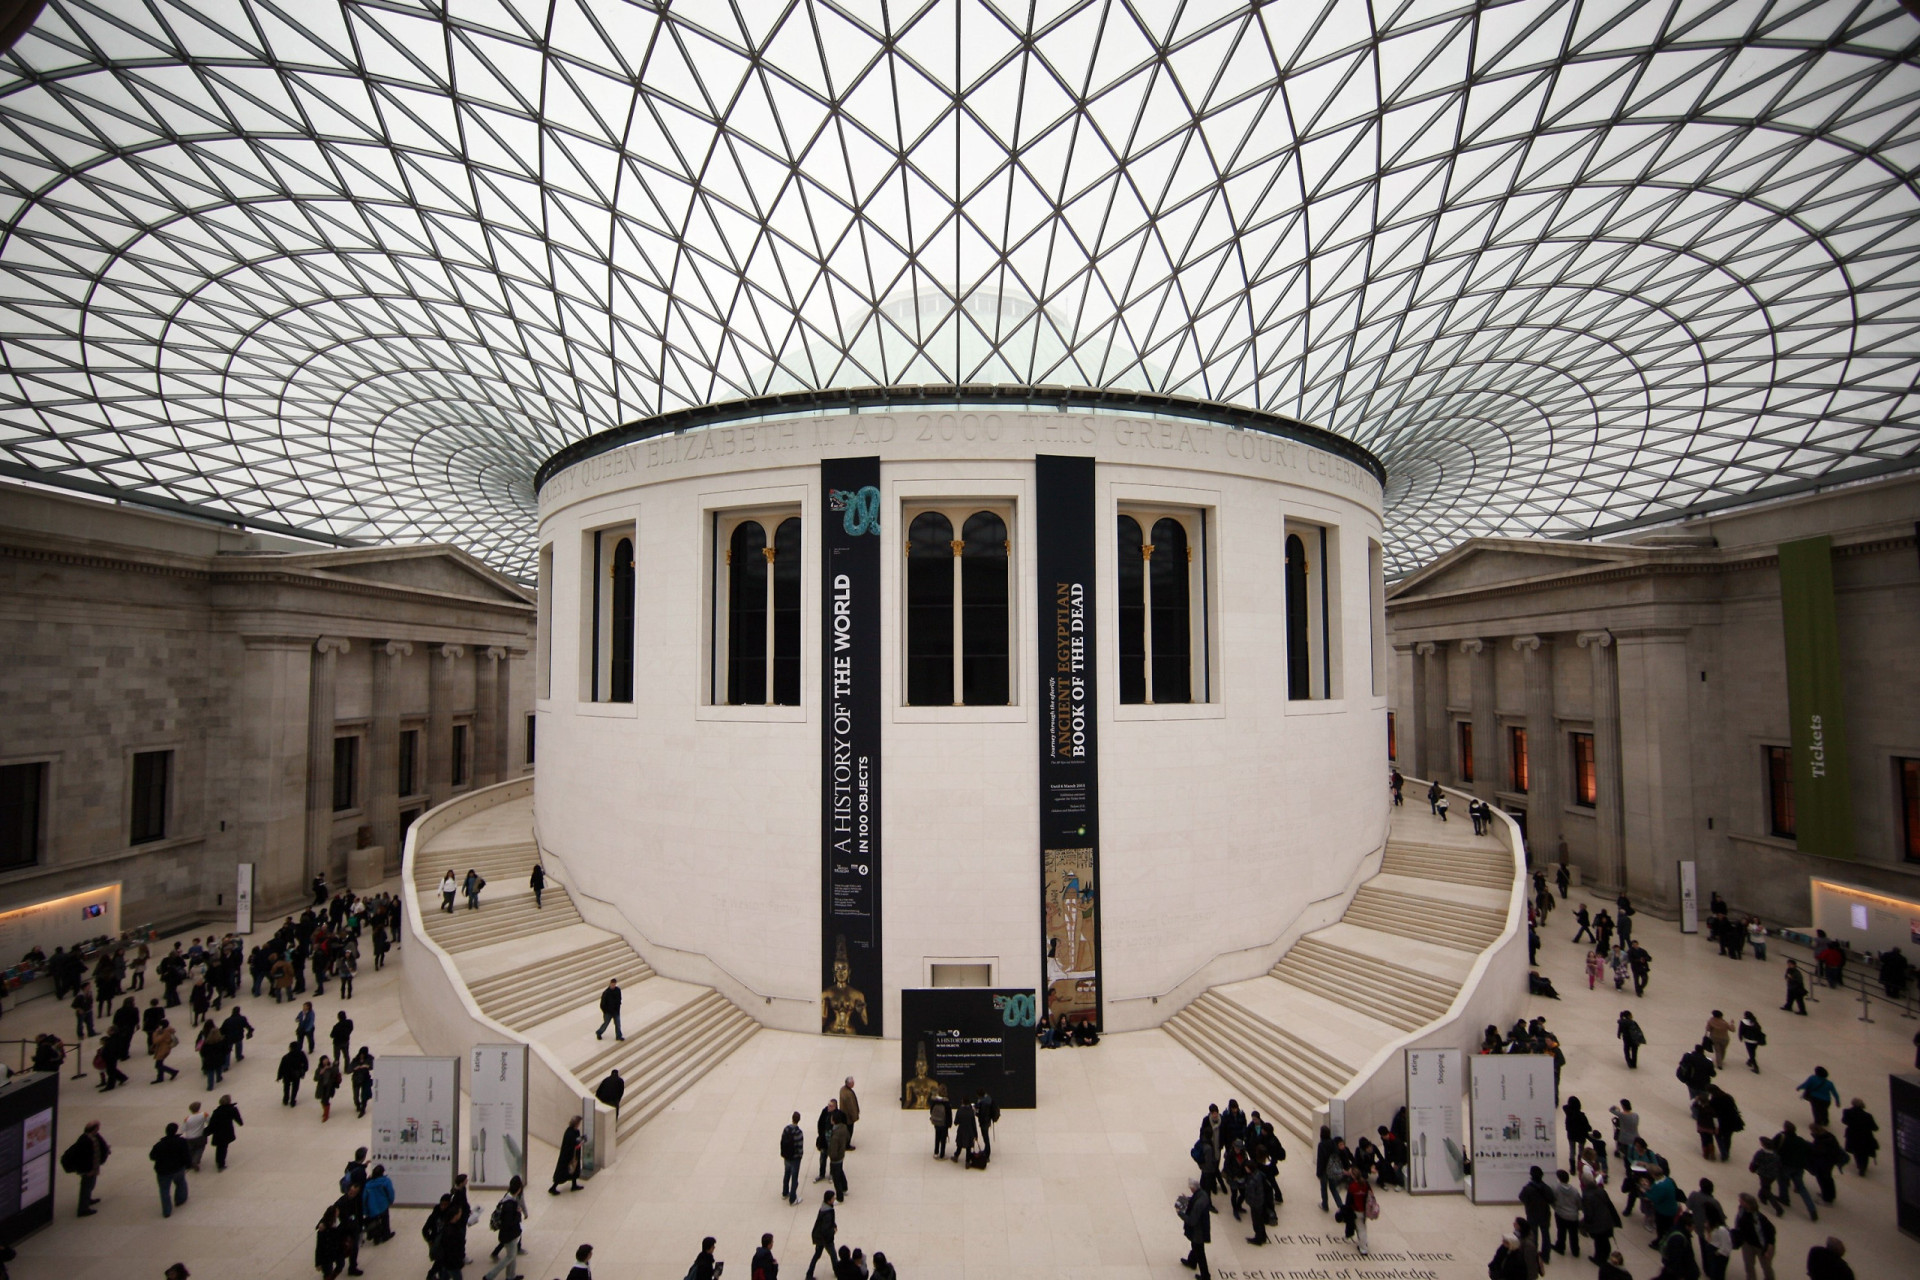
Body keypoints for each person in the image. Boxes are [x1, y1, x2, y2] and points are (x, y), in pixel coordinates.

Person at [482, 1176, 528, 1280]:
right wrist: (518, 1214)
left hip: (508, 1234)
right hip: (509, 1235)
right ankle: (490, 1276)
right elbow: (509, 1222)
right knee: (509, 1257)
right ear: (519, 1189)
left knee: (512, 1255)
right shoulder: (510, 1204)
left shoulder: (506, 1199)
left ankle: (511, 1276)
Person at [60, 1119, 109, 1216]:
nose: (99, 1128)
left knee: (91, 1185)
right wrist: (86, 1169)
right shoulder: (84, 1140)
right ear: (94, 1128)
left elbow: (101, 1146)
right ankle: (83, 1209)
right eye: (97, 1127)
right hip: (88, 1169)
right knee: (86, 1187)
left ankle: (87, 1200)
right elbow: (82, 1156)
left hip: (93, 1167)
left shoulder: (94, 1136)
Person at [150, 1120, 192, 1217]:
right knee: (181, 1183)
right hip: (178, 1168)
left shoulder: (159, 1145)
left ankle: (167, 1211)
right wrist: (188, 1165)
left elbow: (152, 1156)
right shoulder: (181, 1142)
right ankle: (180, 1200)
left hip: (163, 1172)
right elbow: (186, 1154)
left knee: (164, 1190)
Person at [1731, 1192, 1775, 1280]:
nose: (1739, 1201)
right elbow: (1738, 1224)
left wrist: (1769, 1248)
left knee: (1766, 1267)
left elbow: (1771, 1231)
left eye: (1741, 1200)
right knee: (1748, 1265)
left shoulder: (1760, 1218)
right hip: (1747, 1243)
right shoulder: (1741, 1210)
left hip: (1761, 1246)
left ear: (1747, 1203)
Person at [1582, 1176, 1621, 1264]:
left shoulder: (1586, 1195)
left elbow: (1589, 1213)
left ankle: (1598, 1259)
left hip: (1597, 1223)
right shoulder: (1601, 1191)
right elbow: (1608, 1204)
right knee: (1605, 1241)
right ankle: (1606, 1255)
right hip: (1607, 1220)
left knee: (1599, 1242)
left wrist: (1586, 1224)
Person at [1518, 1165, 1555, 1256]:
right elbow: (1552, 1199)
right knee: (1546, 1234)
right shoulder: (1546, 1188)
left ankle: (1533, 1253)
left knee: (1533, 1235)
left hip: (1532, 1214)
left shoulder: (1527, 1188)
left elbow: (1521, 1197)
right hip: (1545, 1214)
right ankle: (1546, 1255)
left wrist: (1528, 1203)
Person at [1180, 1177, 1213, 1278]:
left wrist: (1180, 1214)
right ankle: (1192, 1262)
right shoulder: (1203, 1194)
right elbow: (1194, 1199)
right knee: (1196, 1247)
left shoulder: (1198, 1203)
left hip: (1198, 1232)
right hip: (1202, 1228)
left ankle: (1205, 1275)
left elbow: (1192, 1221)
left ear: (1193, 1188)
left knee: (1199, 1251)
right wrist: (1187, 1199)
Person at [1654, 1210, 1698, 1280]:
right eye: (1693, 1226)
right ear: (1687, 1226)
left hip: (1673, 1270)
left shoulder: (1678, 1230)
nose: (1694, 1229)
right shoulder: (1678, 1238)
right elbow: (1675, 1259)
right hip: (1678, 1272)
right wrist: (1680, 1275)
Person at [1839, 1099, 1876, 1176]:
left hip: (1852, 1135)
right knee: (1865, 1153)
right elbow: (1874, 1128)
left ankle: (1860, 1166)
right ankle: (1863, 1167)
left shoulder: (1847, 1112)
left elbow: (1844, 1121)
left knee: (1856, 1151)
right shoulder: (1868, 1116)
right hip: (1866, 1136)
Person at [806, 1190, 837, 1280]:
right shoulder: (828, 1212)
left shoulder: (824, 1208)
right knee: (833, 1255)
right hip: (825, 1238)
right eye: (833, 1198)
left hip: (819, 1237)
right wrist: (833, 1231)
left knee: (817, 1255)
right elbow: (825, 1229)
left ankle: (809, 1274)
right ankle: (837, 1271)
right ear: (829, 1201)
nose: (834, 1198)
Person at [314, 1203, 350, 1280]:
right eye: (336, 1212)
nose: (338, 1213)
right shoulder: (323, 1230)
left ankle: (332, 1277)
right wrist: (318, 1263)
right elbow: (319, 1247)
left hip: (337, 1251)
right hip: (327, 1254)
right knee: (327, 1272)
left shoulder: (339, 1223)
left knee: (341, 1265)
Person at [362, 1164, 396, 1245]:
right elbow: (390, 1192)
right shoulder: (386, 1181)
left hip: (372, 1206)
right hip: (383, 1205)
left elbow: (364, 1198)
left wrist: (365, 1209)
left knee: (374, 1222)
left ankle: (376, 1238)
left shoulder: (368, 1185)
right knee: (385, 1220)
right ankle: (386, 1235)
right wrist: (391, 1201)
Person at [550, 1114, 584, 1193]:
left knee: (574, 1170)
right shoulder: (569, 1133)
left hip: (574, 1155)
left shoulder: (574, 1131)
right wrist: (577, 1143)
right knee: (563, 1171)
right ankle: (553, 1187)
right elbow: (570, 1144)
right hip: (567, 1156)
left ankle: (574, 1185)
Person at [207, 1094, 242, 1170]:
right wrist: (240, 1123)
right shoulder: (232, 1109)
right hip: (227, 1131)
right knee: (223, 1148)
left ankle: (219, 1162)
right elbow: (237, 1118)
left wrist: (206, 1132)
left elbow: (212, 1124)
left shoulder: (216, 1112)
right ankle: (221, 1164)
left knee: (220, 1148)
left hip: (218, 1132)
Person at [1344, 1169, 1373, 1256]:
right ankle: (1362, 1243)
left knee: (1361, 1229)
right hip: (1365, 1210)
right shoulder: (1365, 1184)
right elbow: (1371, 1193)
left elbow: (1348, 1201)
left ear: (1353, 1176)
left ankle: (1363, 1248)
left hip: (1356, 1210)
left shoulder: (1352, 1186)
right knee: (1362, 1227)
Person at [780, 1110, 805, 1203]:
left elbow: (782, 1141)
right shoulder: (798, 1132)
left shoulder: (786, 1129)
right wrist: (800, 1156)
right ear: (799, 1120)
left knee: (786, 1174)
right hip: (795, 1158)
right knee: (794, 1178)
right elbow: (800, 1146)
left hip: (786, 1156)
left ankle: (785, 1192)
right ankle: (793, 1198)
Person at [827, 1106, 851, 1199]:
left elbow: (833, 1150)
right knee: (840, 1171)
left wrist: (831, 1156)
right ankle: (845, 1188)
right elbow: (848, 1138)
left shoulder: (835, 1136)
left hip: (836, 1158)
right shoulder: (844, 1127)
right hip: (841, 1155)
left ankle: (840, 1197)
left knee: (836, 1178)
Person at [277, 1039, 308, 1105]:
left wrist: (279, 1076)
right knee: (295, 1087)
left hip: (287, 1075)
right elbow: (306, 1064)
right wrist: (303, 1071)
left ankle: (286, 1099)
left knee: (286, 1087)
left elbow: (282, 1067)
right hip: (296, 1074)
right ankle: (292, 1100)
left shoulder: (286, 1057)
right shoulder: (301, 1054)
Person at [181, 1100, 209, 1172]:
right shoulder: (204, 1114)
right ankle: (195, 1161)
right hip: (200, 1136)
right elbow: (209, 1121)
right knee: (200, 1149)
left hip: (189, 1137)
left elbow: (183, 1129)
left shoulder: (187, 1119)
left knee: (191, 1150)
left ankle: (190, 1162)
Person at [313, 1054, 342, 1121]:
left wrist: (333, 1067)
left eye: (327, 1060)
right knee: (322, 1101)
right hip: (322, 1087)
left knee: (326, 1100)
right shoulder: (319, 1069)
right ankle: (325, 1111)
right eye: (324, 1060)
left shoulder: (332, 1067)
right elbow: (315, 1078)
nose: (326, 1061)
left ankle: (326, 1114)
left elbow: (336, 1072)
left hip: (330, 1087)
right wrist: (321, 1072)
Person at [150, 1018, 180, 1083]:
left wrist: (155, 1033)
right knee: (160, 1064)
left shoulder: (165, 1032)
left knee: (158, 1065)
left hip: (163, 1049)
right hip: (164, 1049)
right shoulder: (167, 1031)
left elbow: (156, 1040)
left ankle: (173, 1072)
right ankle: (160, 1078)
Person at [838, 1076, 861, 1149]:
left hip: (844, 1115)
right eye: (852, 1082)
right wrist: (855, 1116)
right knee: (849, 1131)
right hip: (848, 1117)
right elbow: (851, 1107)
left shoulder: (843, 1090)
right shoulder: (848, 1094)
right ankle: (847, 1145)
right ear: (849, 1084)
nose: (854, 1083)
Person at [953, 1096, 977, 1165]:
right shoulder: (971, 1112)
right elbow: (973, 1124)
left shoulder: (959, 1110)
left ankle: (956, 1156)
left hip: (961, 1130)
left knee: (959, 1145)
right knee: (968, 1147)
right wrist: (976, 1134)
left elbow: (955, 1122)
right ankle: (967, 1162)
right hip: (970, 1131)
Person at [928, 1092, 951, 1159]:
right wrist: (949, 1124)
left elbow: (931, 1111)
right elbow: (949, 1115)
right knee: (943, 1139)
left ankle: (936, 1152)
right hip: (944, 1124)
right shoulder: (946, 1103)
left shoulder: (934, 1102)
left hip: (936, 1123)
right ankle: (942, 1154)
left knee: (937, 1137)